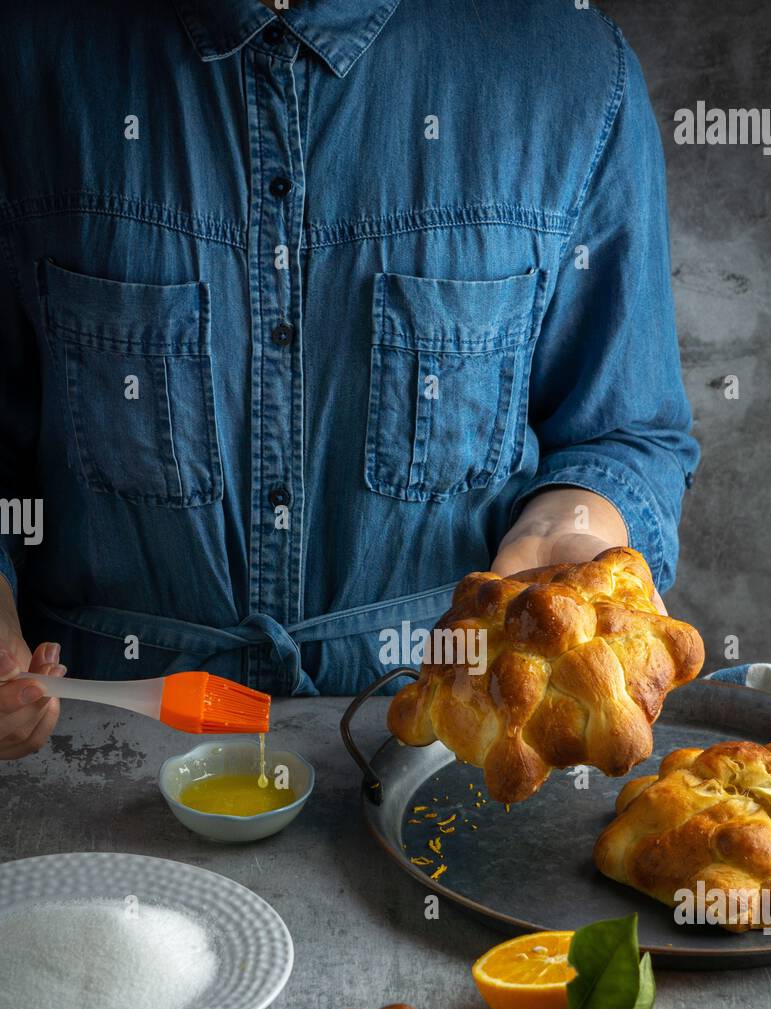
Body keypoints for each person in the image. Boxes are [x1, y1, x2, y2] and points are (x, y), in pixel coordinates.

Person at [0, 0, 698, 760]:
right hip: (95, 748)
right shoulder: (25, 56)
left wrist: (570, 529)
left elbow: (623, 432)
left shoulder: (571, 68)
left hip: (437, 749)